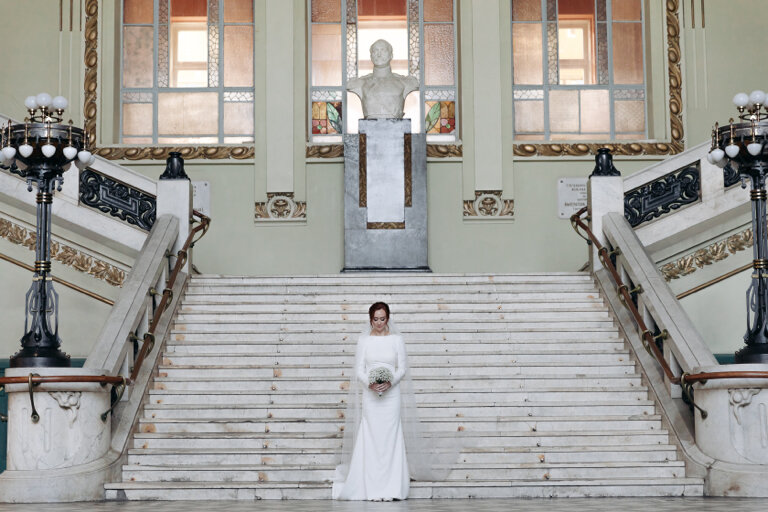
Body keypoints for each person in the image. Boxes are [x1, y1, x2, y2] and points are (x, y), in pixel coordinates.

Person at [332, 301, 410, 501]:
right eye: (375, 319)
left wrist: (390, 381)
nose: (379, 323)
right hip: (371, 395)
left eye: (382, 319)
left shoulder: (396, 340)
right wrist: (370, 383)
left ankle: (391, 488)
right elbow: (359, 370)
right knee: (372, 437)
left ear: (388, 318)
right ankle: (371, 488)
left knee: (390, 438)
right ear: (370, 319)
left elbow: (402, 368)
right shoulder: (364, 341)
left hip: (391, 395)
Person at [347, 39, 419, 119]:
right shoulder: (359, 83)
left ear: (391, 55)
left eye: (383, 50)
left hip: (396, 127)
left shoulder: (405, 82)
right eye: (375, 51)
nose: (379, 54)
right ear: (371, 56)